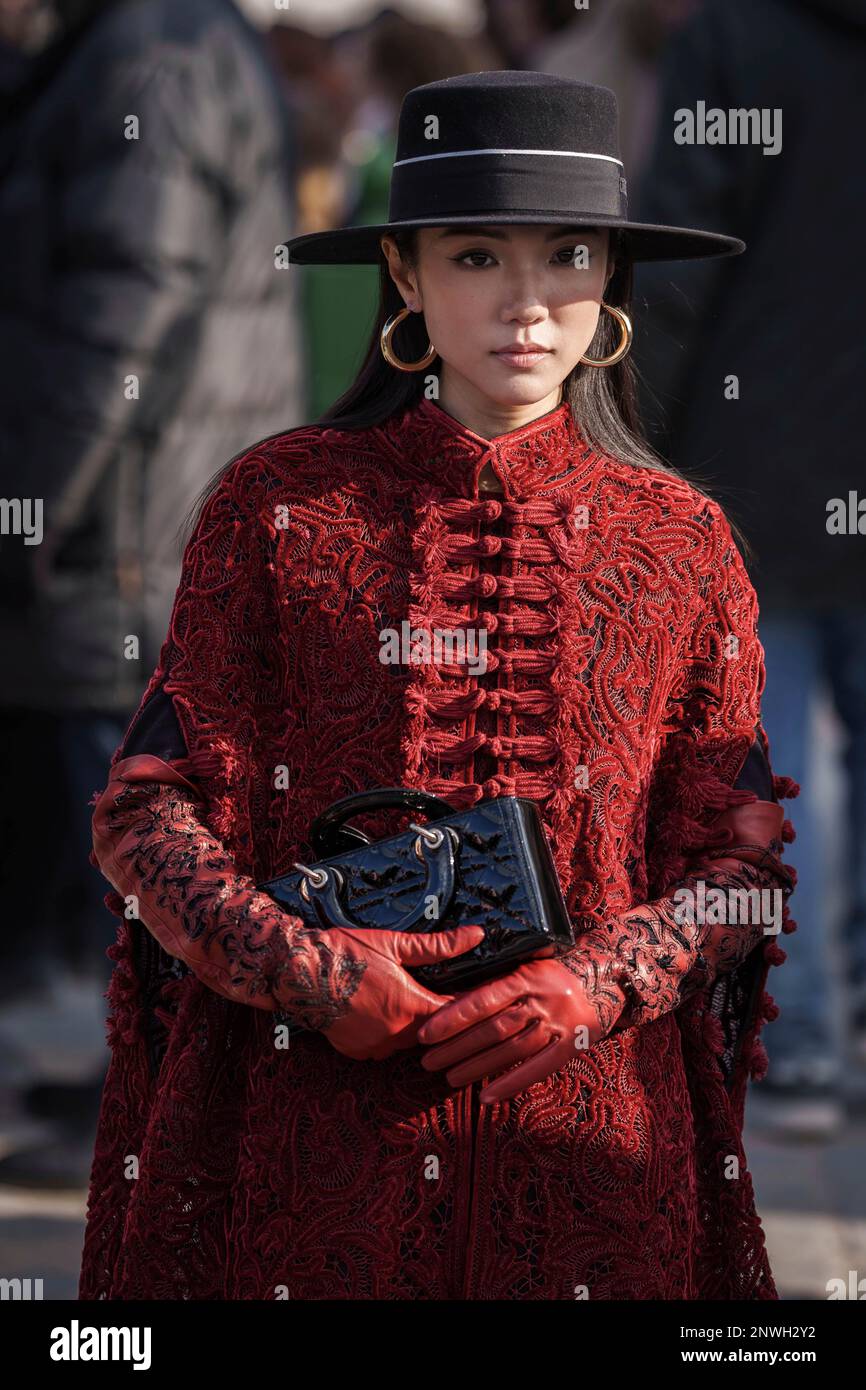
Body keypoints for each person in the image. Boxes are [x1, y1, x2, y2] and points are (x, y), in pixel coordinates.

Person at [79, 72, 797, 1301]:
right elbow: (148, 813)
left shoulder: (680, 542)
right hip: (310, 1150)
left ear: (609, 282)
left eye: (567, 254)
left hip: (595, 1167)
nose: (527, 302)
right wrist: (305, 970)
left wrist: (592, 982)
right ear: (404, 277)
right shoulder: (278, 505)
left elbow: (739, 871)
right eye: (476, 256)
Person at [630, 0, 865, 1135]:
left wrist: (630, 452)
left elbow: (676, 260)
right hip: (783, 475)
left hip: (761, 472)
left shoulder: (735, 38)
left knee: (779, 772)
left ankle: (805, 1043)